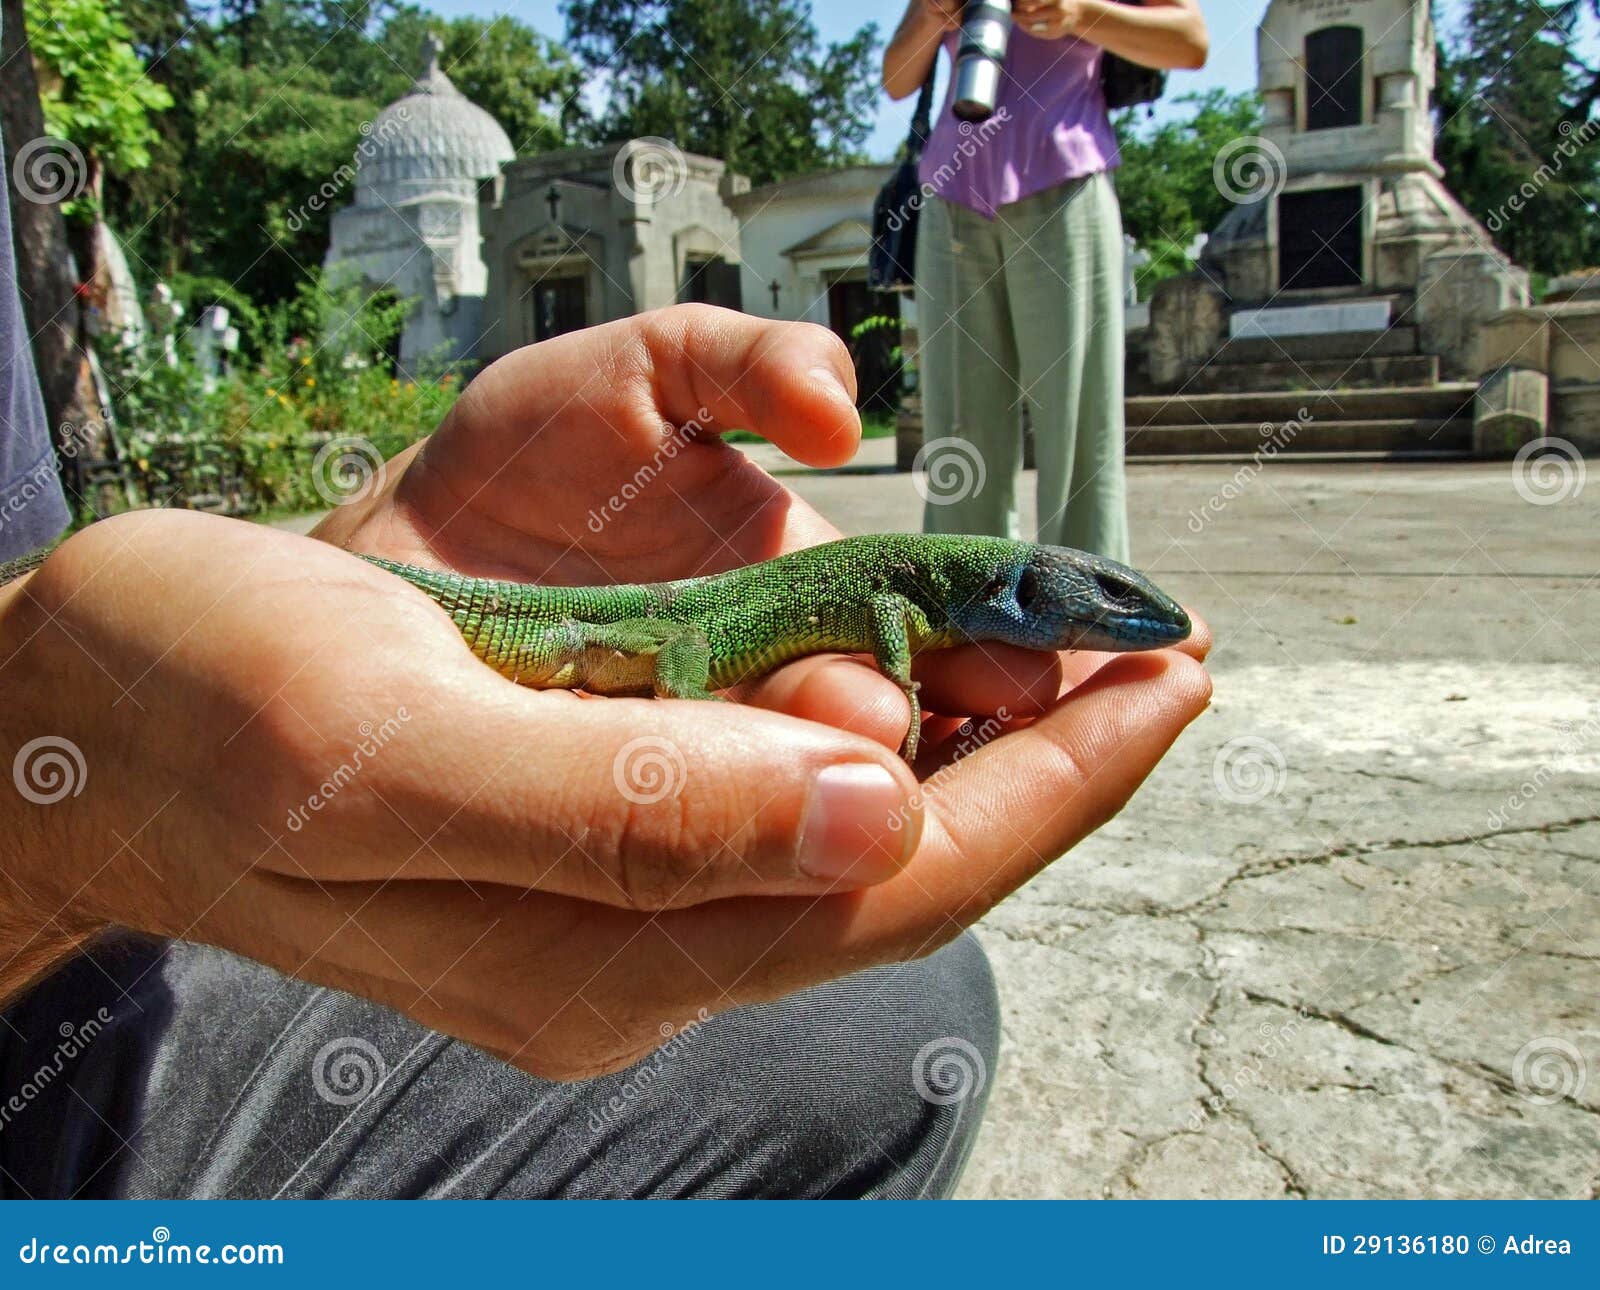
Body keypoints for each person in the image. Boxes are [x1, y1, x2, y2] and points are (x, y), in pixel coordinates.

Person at [0, 152, 1209, 1197]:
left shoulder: (964, 582)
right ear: (1030, 590)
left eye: (1111, 603)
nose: (1122, 618)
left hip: (97, 983)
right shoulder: (923, 586)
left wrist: (320, 572)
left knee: (902, 1011)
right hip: (654, 636)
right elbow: (884, 610)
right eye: (1103, 603)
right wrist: (67, 796)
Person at [885, 0, 1208, 562]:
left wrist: (1080, 12)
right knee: (958, 429)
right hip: (952, 196)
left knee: (1080, 427)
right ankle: (963, 610)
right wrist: (935, 15)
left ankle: (1088, 617)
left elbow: (1190, 41)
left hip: (1065, 185)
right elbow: (895, 79)